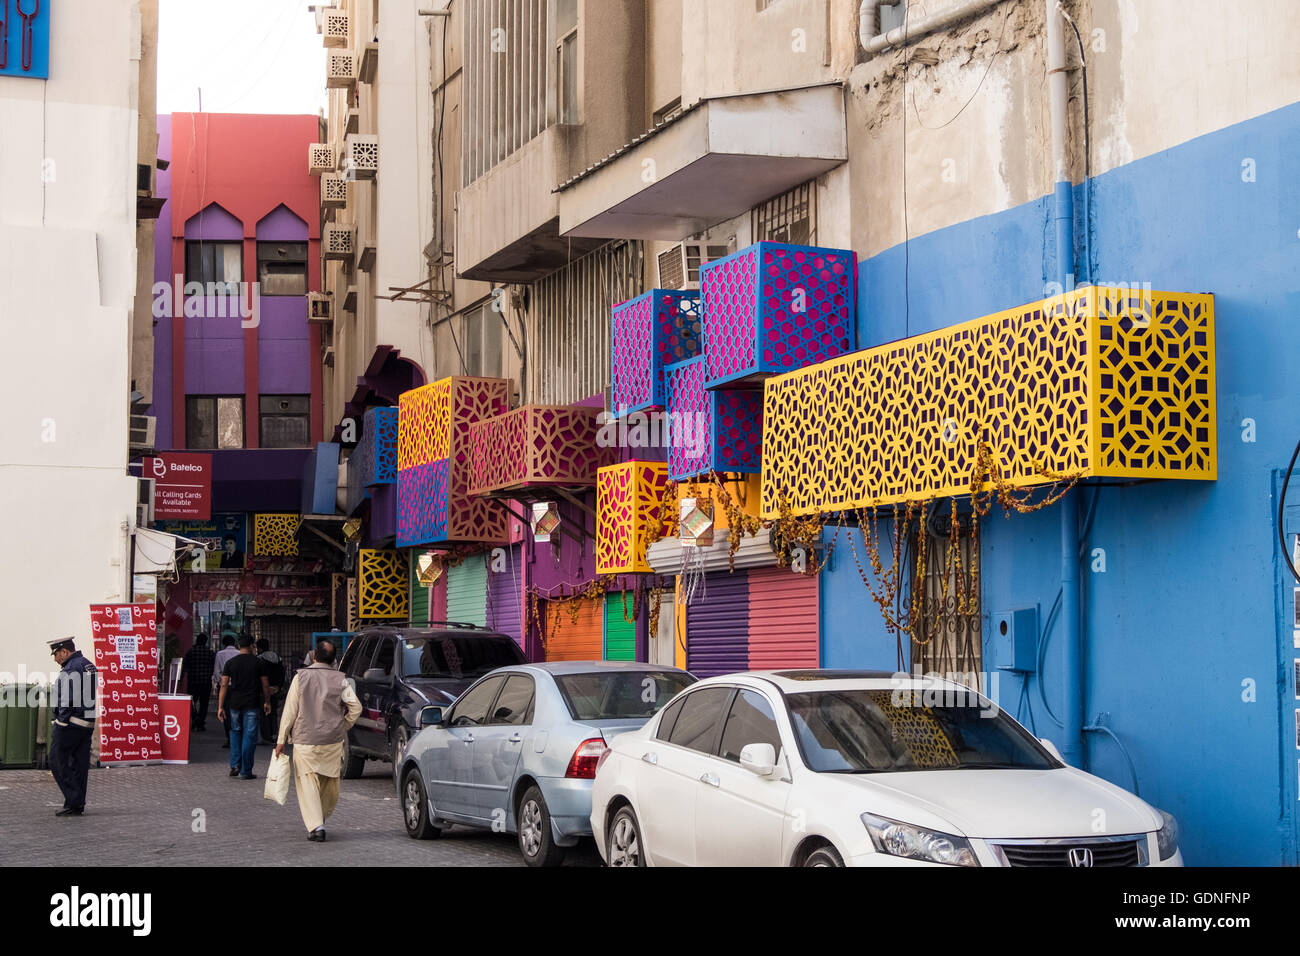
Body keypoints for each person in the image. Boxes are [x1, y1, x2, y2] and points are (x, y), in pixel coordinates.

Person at [275, 638, 361, 842]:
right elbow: (356, 708)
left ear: (314, 657)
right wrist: (343, 725)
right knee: (328, 782)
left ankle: (317, 825)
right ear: (333, 660)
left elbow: (290, 711)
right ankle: (319, 820)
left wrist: (280, 740)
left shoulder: (300, 677)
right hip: (332, 741)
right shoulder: (341, 679)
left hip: (305, 740)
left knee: (307, 783)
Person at [47, 638, 97, 817]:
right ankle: (76, 804)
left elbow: (67, 697)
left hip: (71, 724)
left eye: (56, 654)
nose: (55, 659)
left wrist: (60, 721)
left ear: (64, 651)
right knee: (79, 764)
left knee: (56, 760)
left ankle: (74, 799)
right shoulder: (88, 665)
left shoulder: (71, 668)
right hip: (87, 722)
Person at [217, 635, 270, 780]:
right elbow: (265, 685)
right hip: (252, 704)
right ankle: (246, 770)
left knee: (235, 733)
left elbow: (223, 685)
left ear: (239, 646)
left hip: (234, 703)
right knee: (249, 736)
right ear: (252, 646)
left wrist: (220, 706)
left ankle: (235, 765)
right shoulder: (259, 663)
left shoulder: (230, 663)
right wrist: (267, 702)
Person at [182, 634, 216, 731]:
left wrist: (181, 678)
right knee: (204, 703)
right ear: (205, 641)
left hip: (193, 681)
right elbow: (214, 666)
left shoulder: (191, 652)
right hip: (206, 682)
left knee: (192, 702)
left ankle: (195, 717)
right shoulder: (210, 653)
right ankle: (200, 721)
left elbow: (185, 666)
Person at [256, 638, 286, 743]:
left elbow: (259, 676)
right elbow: (282, 673)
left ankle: (265, 735)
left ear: (259, 648)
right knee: (274, 712)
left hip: (263, 690)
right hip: (275, 689)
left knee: (264, 712)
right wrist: (277, 686)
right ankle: (274, 734)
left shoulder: (259, 659)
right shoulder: (278, 658)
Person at [213, 635, 239, 748]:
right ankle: (238, 737)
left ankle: (229, 738)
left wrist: (220, 681)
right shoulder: (239, 653)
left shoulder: (220, 654)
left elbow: (217, 671)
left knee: (225, 712)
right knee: (238, 711)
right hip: (238, 687)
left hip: (225, 687)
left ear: (224, 644)